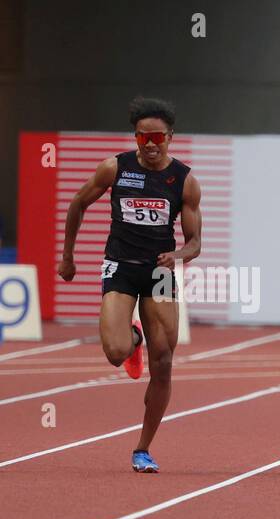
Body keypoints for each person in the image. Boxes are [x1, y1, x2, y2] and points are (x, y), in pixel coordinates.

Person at [57, 96, 202, 473]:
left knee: (165, 361)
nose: (150, 145)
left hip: (158, 271)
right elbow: (78, 203)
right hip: (120, 266)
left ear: (170, 137)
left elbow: (195, 242)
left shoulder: (184, 180)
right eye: (142, 138)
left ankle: (143, 448)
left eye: (157, 137)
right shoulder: (114, 168)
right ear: (135, 138)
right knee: (114, 352)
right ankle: (132, 339)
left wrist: (179, 256)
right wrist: (68, 256)